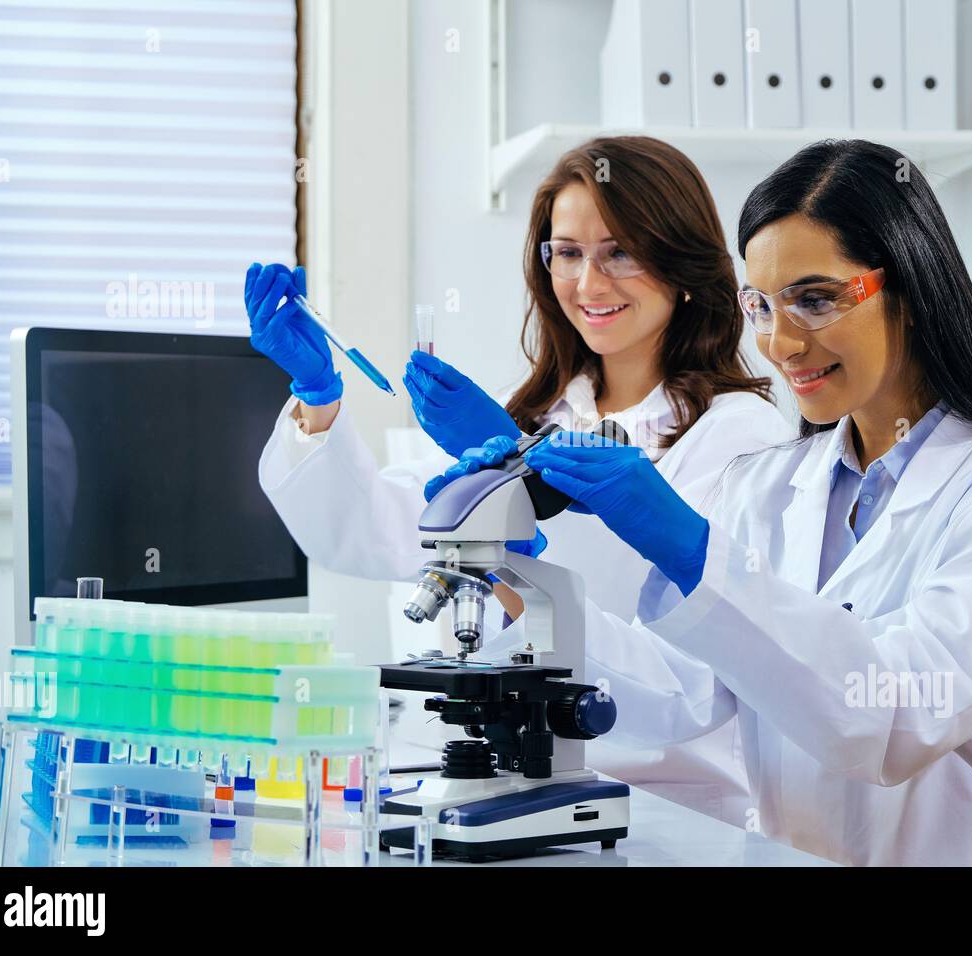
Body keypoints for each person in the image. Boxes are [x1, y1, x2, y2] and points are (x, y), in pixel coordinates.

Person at [434, 139, 972, 866]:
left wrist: (695, 555)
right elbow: (679, 701)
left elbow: (896, 719)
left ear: (913, 288)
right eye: (761, 305)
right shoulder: (767, 485)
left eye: (816, 299)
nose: (781, 341)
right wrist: (516, 573)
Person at [244, 136, 793, 824]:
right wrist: (317, 394)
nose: (589, 284)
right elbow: (377, 529)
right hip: (519, 781)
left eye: (619, 251)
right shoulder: (537, 412)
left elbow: (694, 677)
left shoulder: (739, 434)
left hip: (674, 805)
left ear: (683, 266)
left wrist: (522, 529)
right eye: (567, 253)